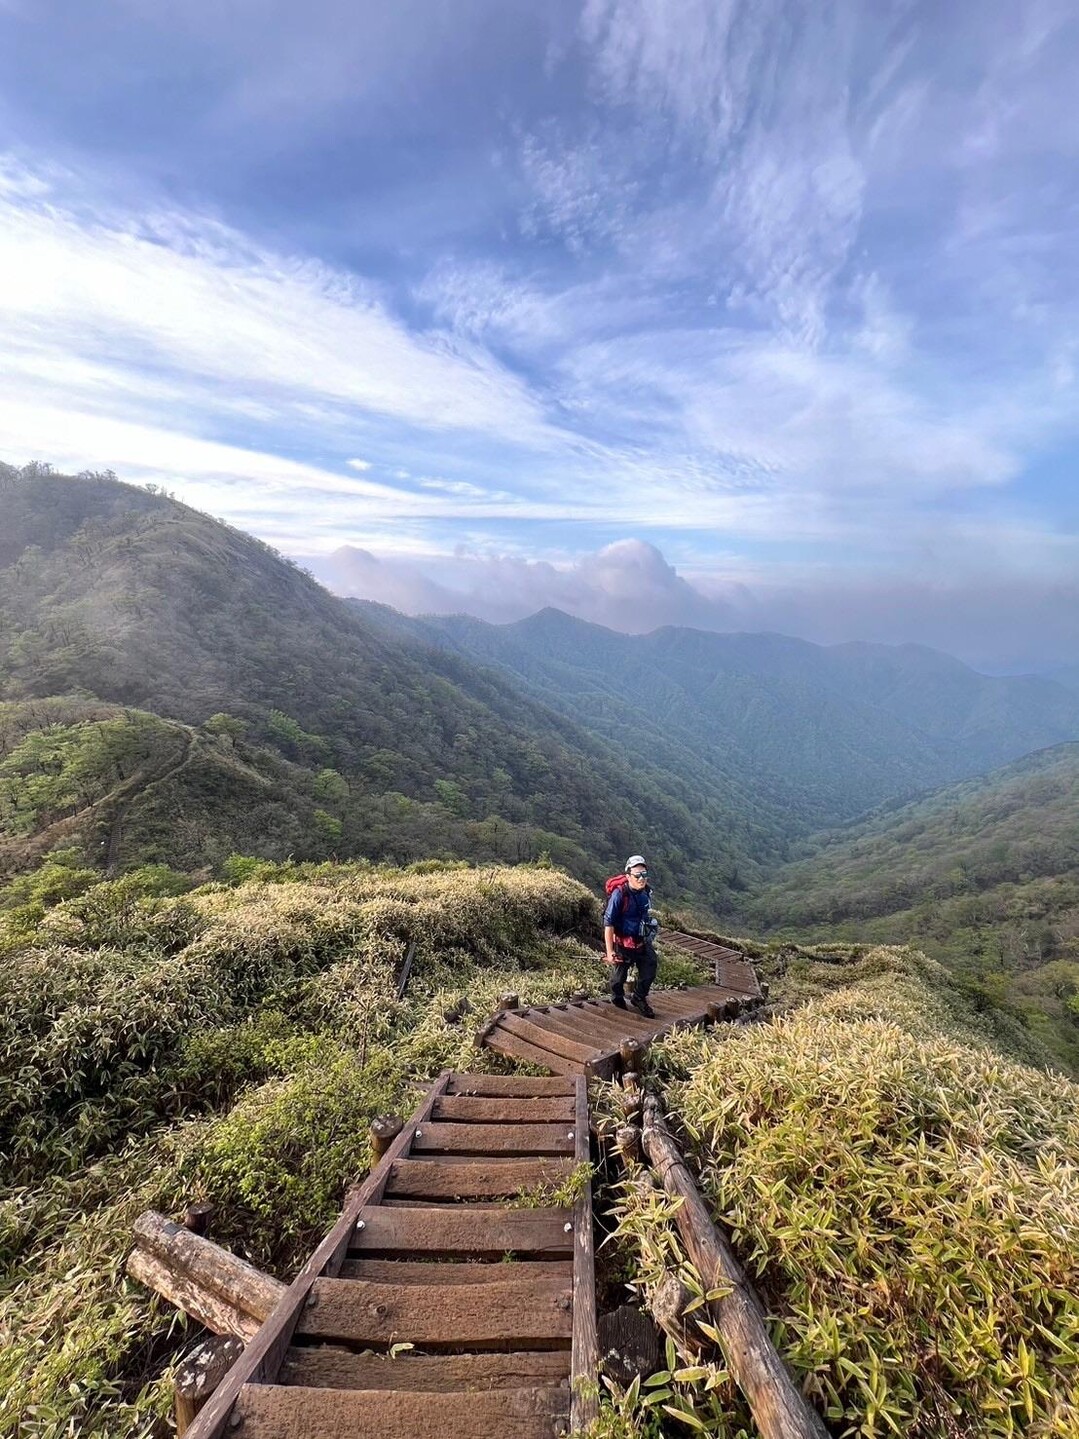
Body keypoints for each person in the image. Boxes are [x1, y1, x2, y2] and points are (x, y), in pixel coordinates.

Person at [603, 854, 658, 1017]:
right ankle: (617, 999)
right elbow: (609, 923)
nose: (641, 879)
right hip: (623, 943)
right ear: (628, 876)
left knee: (650, 967)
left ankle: (639, 998)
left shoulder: (646, 892)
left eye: (644, 875)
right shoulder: (620, 894)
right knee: (618, 980)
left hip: (641, 941)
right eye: (637, 875)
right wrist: (610, 952)